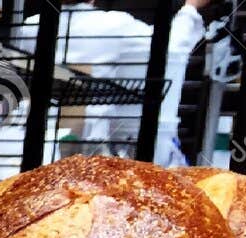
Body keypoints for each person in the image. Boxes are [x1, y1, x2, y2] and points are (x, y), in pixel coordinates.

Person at [11, 0, 212, 164]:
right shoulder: (113, 25)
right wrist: (191, 8)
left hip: (33, 145)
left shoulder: (29, 28)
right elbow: (171, 47)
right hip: (89, 150)